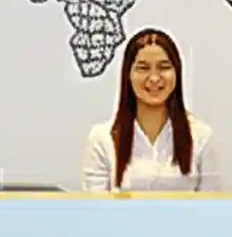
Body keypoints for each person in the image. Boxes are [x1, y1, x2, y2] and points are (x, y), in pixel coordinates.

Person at [81, 28, 220, 192]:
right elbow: (95, 212)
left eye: (164, 67)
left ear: (177, 73)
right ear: (128, 74)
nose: (154, 78)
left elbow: (211, 210)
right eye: (143, 68)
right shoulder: (101, 139)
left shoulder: (201, 137)